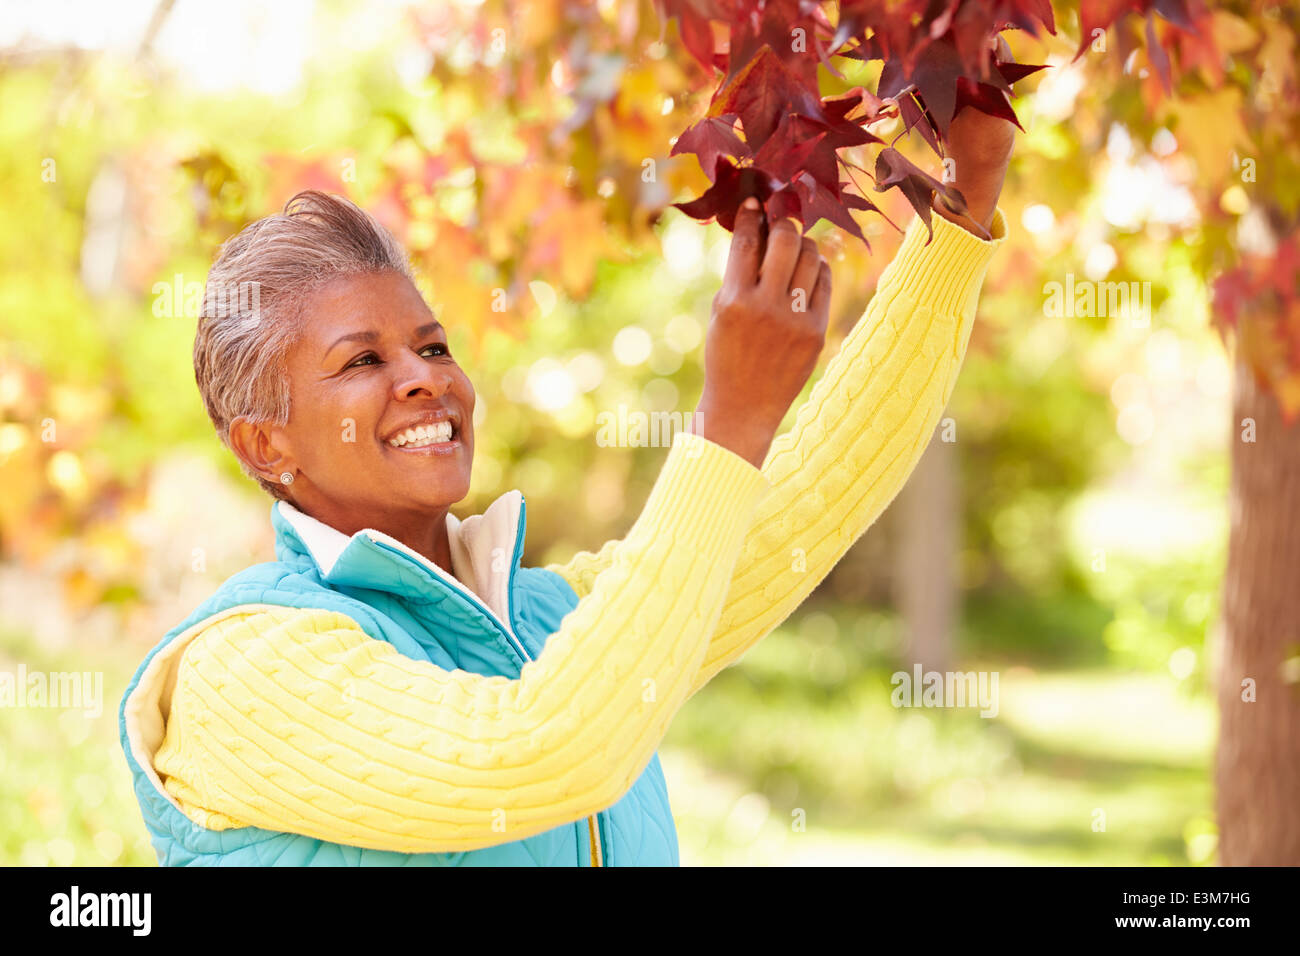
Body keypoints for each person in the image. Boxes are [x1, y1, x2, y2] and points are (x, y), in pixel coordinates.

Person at [118, 110, 1012, 866]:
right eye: (362, 359)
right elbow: (544, 751)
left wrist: (962, 204)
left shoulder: (555, 616)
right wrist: (729, 420)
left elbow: (811, 502)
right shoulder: (242, 672)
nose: (428, 378)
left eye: (433, 346)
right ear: (267, 444)